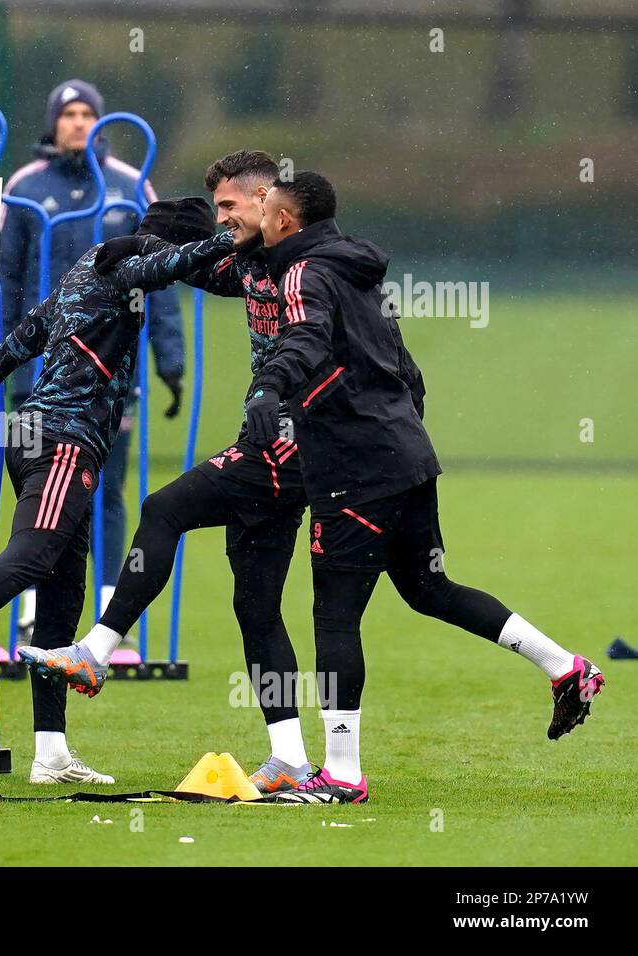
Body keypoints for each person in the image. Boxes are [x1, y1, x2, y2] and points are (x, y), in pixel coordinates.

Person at [252, 172, 601, 803]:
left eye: (268, 211)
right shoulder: (361, 273)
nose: (263, 220)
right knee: (427, 587)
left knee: (334, 614)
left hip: (357, 470)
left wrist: (270, 387)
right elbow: (407, 372)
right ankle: (563, 665)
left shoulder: (303, 276)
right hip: (407, 456)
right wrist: (398, 435)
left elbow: (304, 340)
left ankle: (342, 775)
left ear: (286, 222)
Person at [0, 199, 235, 784]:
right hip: (63, 441)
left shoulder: (85, 272)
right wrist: (243, 235)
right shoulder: (134, 262)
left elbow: (14, 347)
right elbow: (181, 261)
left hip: (35, 435)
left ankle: (50, 754)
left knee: (60, 597)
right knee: (34, 554)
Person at [18, 150, 319, 795]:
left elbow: (348, 331)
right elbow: (195, 263)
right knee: (257, 606)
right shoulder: (251, 266)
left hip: (288, 444)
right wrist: (148, 243)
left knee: (163, 509)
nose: (223, 218)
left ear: (268, 201)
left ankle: (95, 650)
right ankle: (293, 758)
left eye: (230, 207)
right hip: (276, 445)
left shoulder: (312, 268)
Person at [0, 79, 186, 647]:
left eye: (88, 114)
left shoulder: (133, 186)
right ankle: (31, 612)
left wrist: (169, 360)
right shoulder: (26, 188)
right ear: (53, 123)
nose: (78, 123)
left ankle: (109, 622)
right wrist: (5, 358)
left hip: (112, 377)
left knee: (107, 493)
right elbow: (6, 280)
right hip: (40, 378)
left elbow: (164, 277)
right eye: (68, 114)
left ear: (101, 123)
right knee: (35, 494)